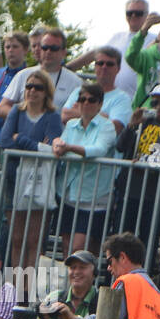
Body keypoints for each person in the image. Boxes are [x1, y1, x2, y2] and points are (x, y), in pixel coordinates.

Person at [0, 68, 63, 270]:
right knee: (17, 237)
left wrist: (23, 140)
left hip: (40, 180)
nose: (32, 91)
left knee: (34, 239)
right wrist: (38, 145)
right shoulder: (16, 111)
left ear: (46, 92)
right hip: (14, 178)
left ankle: (28, 290)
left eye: (38, 87)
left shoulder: (53, 116)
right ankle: (16, 287)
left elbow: (51, 148)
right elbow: (6, 140)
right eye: (29, 86)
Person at [116, 83, 160, 246]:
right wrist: (131, 125)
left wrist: (149, 164)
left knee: (146, 242)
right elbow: (120, 146)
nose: (158, 107)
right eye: (154, 102)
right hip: (130, 190)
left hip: (157, 197)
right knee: (121, 239)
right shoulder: (143, 122)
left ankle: (144, 271)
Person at [51, 83, 119, 255]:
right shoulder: (71, 124)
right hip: (68, 192)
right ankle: (70, 282)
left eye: (91, 100)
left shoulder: (107, 126)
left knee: (79, 249)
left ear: (100, 104)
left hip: (94, 196)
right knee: (67, 247)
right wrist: (57, 144)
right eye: (82, 99)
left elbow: (99, 149)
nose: (86, 103)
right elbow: (61, 146)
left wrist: (68, 148)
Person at [67, 0, 149, 98]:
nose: (133, 16)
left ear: (147, 16)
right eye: (129, 13)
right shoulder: (117, 37)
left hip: (136, 100)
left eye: (138, 13)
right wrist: (65, 69)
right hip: (109, 98)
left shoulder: (155, 39)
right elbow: (95, 54)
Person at [0, 28, 80, 120]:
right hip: (24, 133)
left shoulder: (75, 82)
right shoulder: (23, 75)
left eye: (54, 48)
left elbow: (84, 113)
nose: (48, 51)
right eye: (45, 47)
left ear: (64, 52)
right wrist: (26, 118)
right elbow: (1, 108)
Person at [59, 46, 132, 138]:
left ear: (118, 68)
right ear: (95, 66)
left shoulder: (123, 99)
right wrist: (103, 116)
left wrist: (79, 112)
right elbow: (65, 116)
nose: (104, 67)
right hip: (72, 148)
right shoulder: (79, 91)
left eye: (109, 64)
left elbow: (114, 128)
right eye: (100, 63)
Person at [0, 30, 29, 143]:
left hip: (12, 136)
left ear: (26, 50)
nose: (10, 50)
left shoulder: (30, 76)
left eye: (15, 46)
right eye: (7, 47)